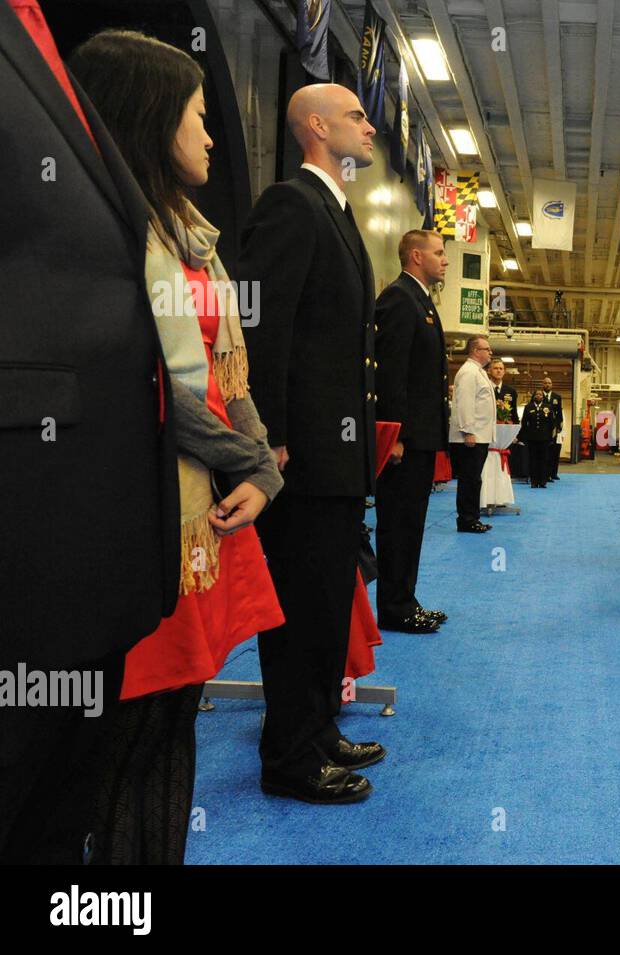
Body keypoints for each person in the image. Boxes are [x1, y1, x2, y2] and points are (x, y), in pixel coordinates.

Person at [68, 30, 286, 863]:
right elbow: (161, 393)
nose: (211, 135)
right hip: (142, 523)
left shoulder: (191, 235)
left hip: (203, 515)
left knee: (167, 733)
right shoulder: (115, 236)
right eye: (198, 116)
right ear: (153, 119)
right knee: (123, 749)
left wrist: (258, 465)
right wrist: (256, 461)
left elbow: (232, 382)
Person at [0, 1, 179, 864]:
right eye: (199, 118)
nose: (213, 137)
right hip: (31, 538)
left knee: (70, 805)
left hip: (93, 547)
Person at [238, 82, 382, 805]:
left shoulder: (338, 208)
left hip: (338, 457)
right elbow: (261, 328)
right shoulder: (291, 204)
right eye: (357, 114)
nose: (369, 124)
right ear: (316, 127)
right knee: (297, 608)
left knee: (327, 601)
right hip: (302, 455)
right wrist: (274, 437)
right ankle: (288, 756)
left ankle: (320, 727)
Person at [374, 229, 451, 634]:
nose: (446, 260)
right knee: (399, 522)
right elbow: (391, 373)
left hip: (420, 436)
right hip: (405, 439)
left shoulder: (420, 299)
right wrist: (396, 434)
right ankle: (394, 606)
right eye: (439, 253)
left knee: (412, 522)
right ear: (417, 256)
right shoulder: (398, 299)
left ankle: (405, 598)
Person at [450, 334, 495, 532]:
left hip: (479, 436)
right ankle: (467, 520)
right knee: (469, 480)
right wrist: (468, 431)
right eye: (487, 349)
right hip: (470, 437)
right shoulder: (469, 372)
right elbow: (465, 403)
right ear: (476, 351)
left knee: (474, 479)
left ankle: (471, 518)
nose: (491, 352)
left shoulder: (478, 371)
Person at [520, 389, 552, 488]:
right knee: (533, 460)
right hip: (532, 438)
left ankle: (542, 481)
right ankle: (534, 481)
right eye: (537, 394)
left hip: (544, 438)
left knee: (543, 460)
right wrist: (524, 436)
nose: (539, 396)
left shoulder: (548, 407)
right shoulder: (528, 407)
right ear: (534, 396)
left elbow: (551, 423)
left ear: (543, 396)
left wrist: (550, 436)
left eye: (540, 394)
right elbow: (524, 423)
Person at [541, 375, 563, 480]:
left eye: (549, 383)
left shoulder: (557, 397)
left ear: (552, 385)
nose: (547, 385)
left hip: (553, 429)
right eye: (545, 383)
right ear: (542, 384)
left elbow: (559, 413)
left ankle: (553, 473)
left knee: (553, 452)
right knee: (544, 452)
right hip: (541, 428)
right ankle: (544, 474)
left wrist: (559, 426)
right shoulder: (538, 395)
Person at [489, 357, 519, 423]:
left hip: (505, 429)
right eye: (495, 368)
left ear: (504, 372)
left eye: (501, 369)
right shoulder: (484, 388)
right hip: (486, 427)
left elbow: (514, 413)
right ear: (489, 371)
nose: (498, 371)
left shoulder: (511, 391)